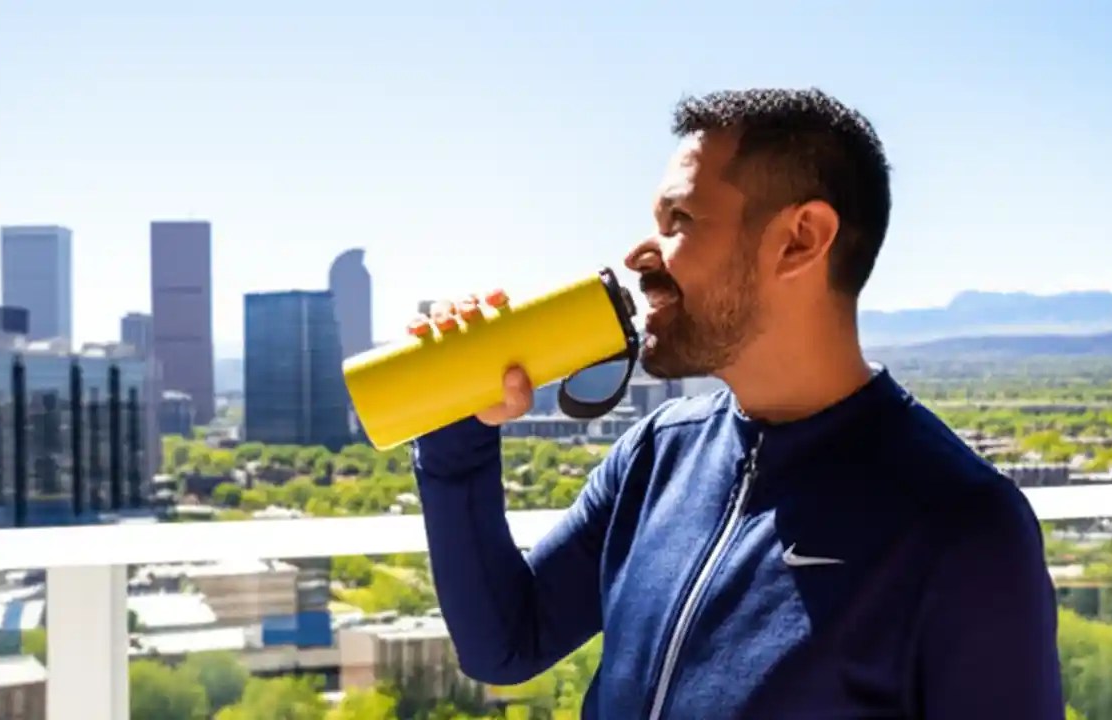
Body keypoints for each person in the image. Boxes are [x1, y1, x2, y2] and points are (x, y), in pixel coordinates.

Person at [409, 88, 1065, 719]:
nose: (640, 254)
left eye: (680, 221)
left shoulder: (964, 527)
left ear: (800, 239)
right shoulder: (658, 454)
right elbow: (505, 644)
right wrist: (455, 426)